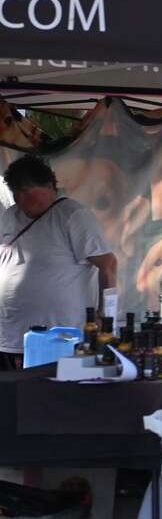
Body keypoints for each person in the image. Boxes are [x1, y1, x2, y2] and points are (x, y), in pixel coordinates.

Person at [0, 155, 116, 370]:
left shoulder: (72, 215)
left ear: (49, 186)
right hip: (9, 336)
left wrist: (105, 316)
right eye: (16, 192)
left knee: (50, 399)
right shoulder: (9, 216)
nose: (20, 199)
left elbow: (108, 264)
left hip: (59, 338)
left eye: (27, 192)